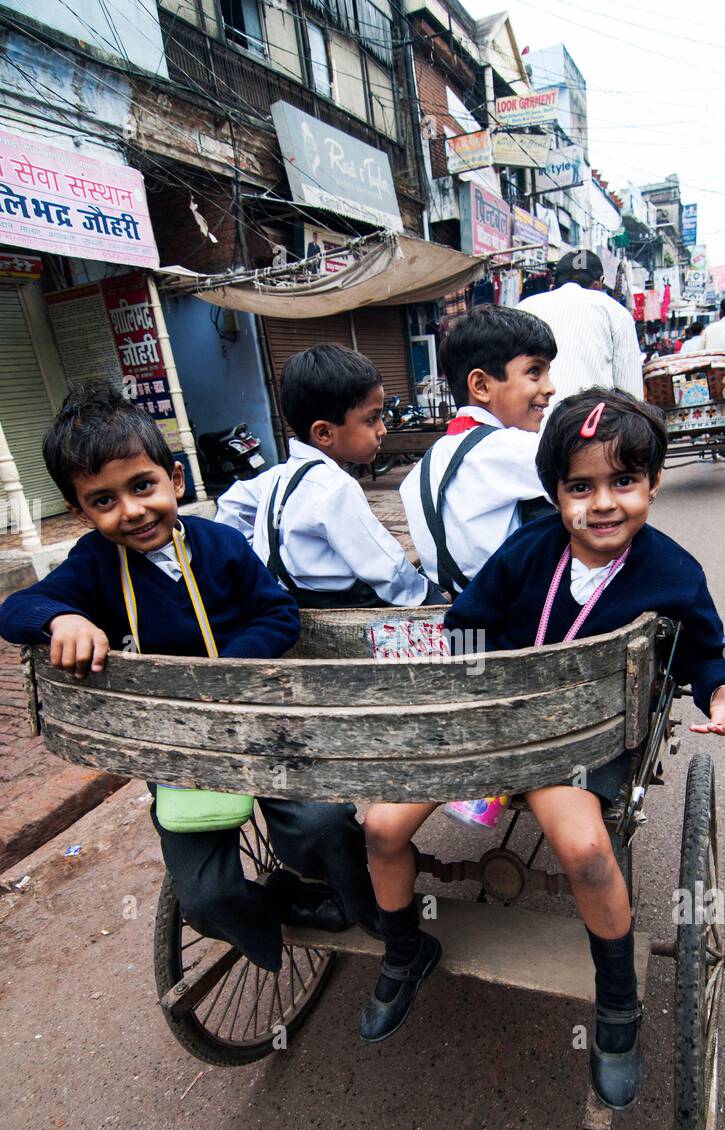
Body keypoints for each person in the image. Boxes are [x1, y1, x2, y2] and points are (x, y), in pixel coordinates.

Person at [359, 389, 725, 1110]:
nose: (603, 503)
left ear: (653, 483)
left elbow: (705, 655)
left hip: (577, 742)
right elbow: (466, 626)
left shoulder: (673, 571)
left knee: (581, 851)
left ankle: (616, 1008)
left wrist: (722, 691)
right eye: (581, 486)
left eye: (623, 482)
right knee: (380, 826)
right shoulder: (527, 548)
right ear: (555, 492)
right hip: (493, 725)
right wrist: (472, 684)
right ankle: (404, 950)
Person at [0, 383, 381, 971]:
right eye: (103, 501)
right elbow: (15, 610)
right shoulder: (95, 564)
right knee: (205, 899)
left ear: (174, 480)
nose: (131, 510)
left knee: (325, 825)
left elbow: (278, 612)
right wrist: (63, 616)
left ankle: (368, 905)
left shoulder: (221, 544)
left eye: (142, 486)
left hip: (261, 726)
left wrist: (231, 669)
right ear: (81, 512)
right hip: (177, 749)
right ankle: (274, 910)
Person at [217, 346, 443, 608]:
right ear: (324, 433)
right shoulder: (334, 488)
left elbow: (230, 505)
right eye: (371, 419)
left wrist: (255, 556)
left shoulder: (277, 477)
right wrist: (429, 598)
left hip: (293, 597)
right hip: (344, 603)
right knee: (454, 614)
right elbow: (386, 565)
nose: (382, 430)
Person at [400, 305, 557, 596]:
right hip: (517, 609)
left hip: (462, 609)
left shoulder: (421, 468)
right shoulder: (516, 448)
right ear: (481, 385)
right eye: (534, 372)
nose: (550, 387)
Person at [515, 249, 643, 402]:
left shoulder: (523, 308)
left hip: (528, 420)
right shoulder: (615, 312)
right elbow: (630, 394)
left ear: (553, 283)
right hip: (593, 421)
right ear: (600, 283)